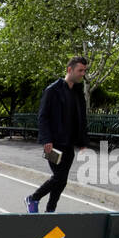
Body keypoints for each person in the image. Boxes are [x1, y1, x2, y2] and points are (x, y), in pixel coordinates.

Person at [25, 55, 89, 213]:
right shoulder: (53, 90)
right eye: (80, 70)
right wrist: (46, 140)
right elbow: (43, 116)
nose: (83, 74)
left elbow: (81, 118)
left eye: (84, 71)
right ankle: (33, 198)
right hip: (53, 144)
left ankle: (50, 210)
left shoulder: (78, 92)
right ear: (69, 69)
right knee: (59, 177)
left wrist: (82, 141)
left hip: (69, 144)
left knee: (62, 181)